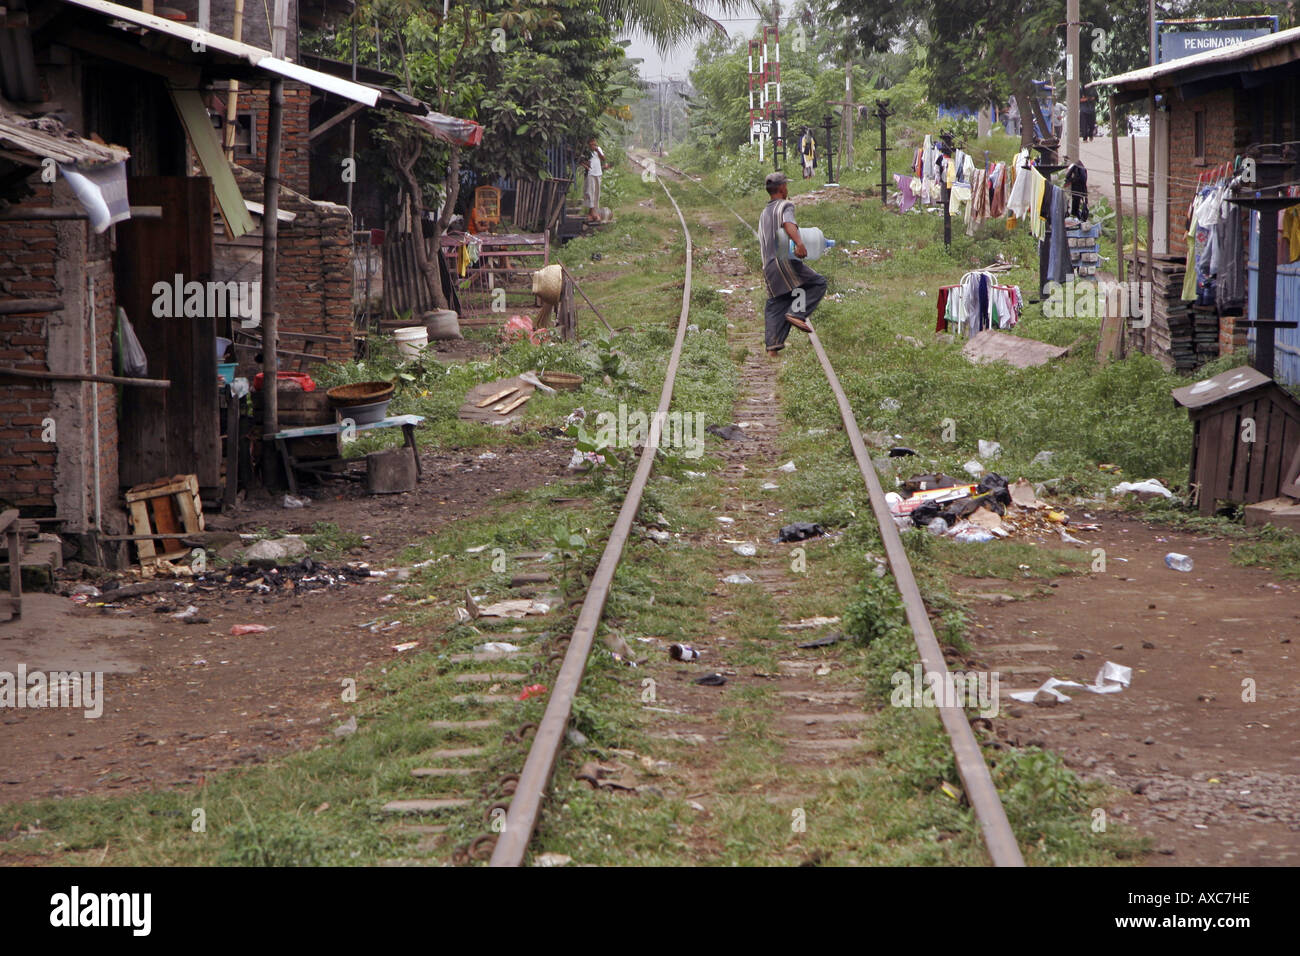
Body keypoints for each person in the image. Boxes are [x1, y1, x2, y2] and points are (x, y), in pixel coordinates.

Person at [759, 171, 826, 358]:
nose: (787, 188)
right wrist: (799, 243)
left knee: (776, 301)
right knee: (818, 283)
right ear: (782, 188)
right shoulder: (785, 205)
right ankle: (797, 313)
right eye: (786, 185)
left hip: (769, 266)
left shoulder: (764, 212)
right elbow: (788, 223)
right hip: (784, 261)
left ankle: (773, 346)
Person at [582, 137, 605, 222]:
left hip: (598, 173)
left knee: (596, 192)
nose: (593, 145)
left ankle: (593, 212)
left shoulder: (598, 149)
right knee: (589, 192)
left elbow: (603, 158)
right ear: (588, 144)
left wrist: (597, 150)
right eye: (591, 144)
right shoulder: (586, 151)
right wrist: (586, 167)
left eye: (594, 144)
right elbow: (582, 161)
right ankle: (592, 212)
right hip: (590, 173)